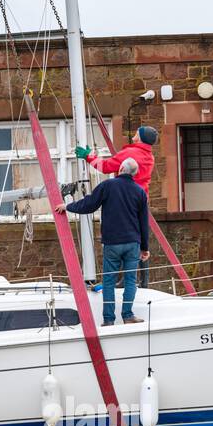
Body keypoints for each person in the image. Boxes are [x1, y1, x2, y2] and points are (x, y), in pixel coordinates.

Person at [55, 157, 150, 326]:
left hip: (112, 243)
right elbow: (144, 222)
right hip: (132, 243)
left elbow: (89, 204)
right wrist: (144, 248)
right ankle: (128, 315)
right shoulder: (139, 191)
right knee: (130, 280)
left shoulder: (108, 186)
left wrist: (68, 206)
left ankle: (108, 320)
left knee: (108, 282)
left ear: (120, 169)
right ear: (134, 173)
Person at [76, 125, 158, 287]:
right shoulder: (149, 156)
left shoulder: (131, 153)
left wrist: (88, 157)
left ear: (140, 137)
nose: (134, 133)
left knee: (122, 237)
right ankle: (142, 281)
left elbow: (106, 167)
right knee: (138, 237)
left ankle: (120, 280)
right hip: (141, 198)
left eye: (137, 132)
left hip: (124, 199)